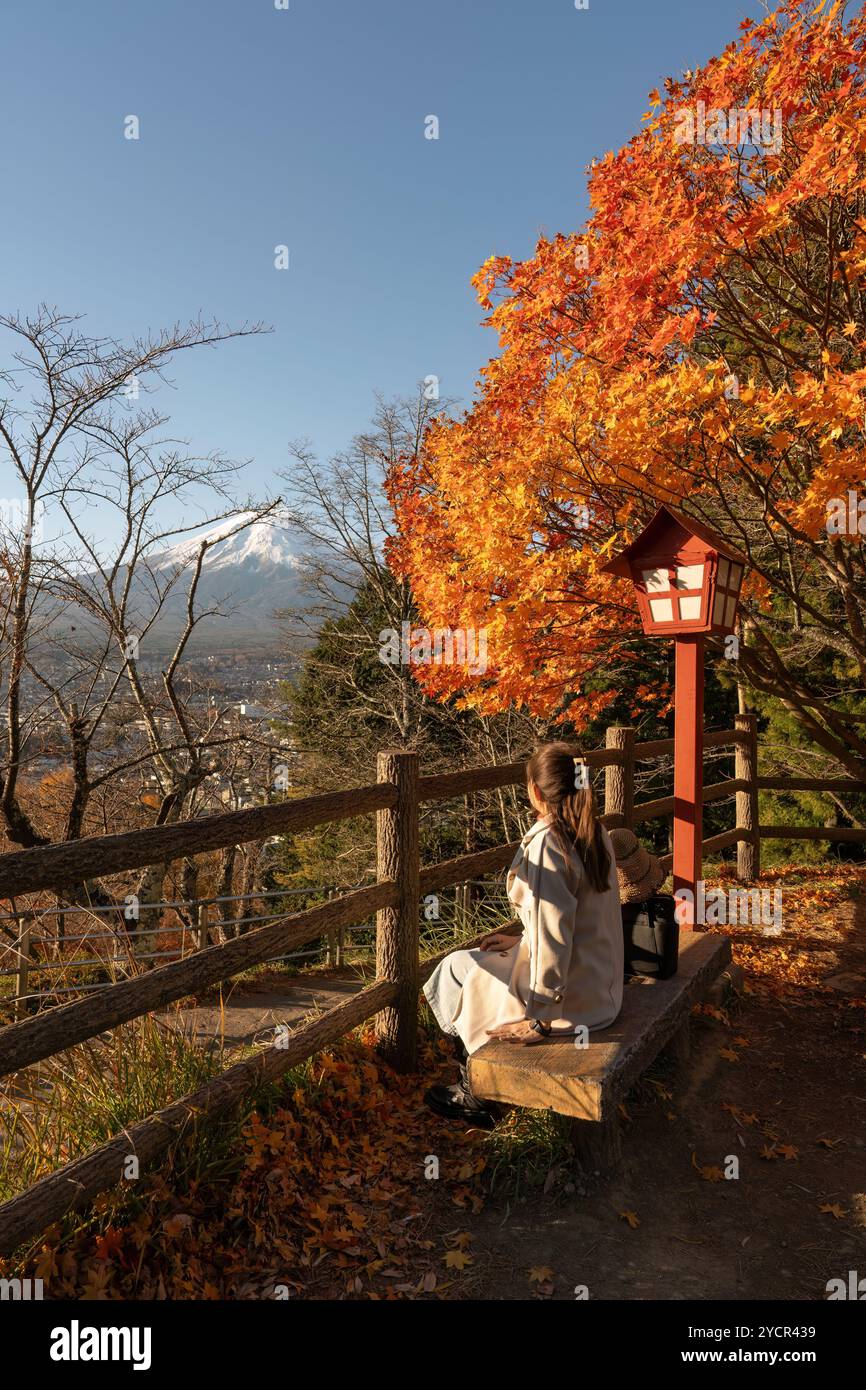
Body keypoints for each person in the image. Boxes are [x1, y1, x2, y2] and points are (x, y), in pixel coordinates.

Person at [423, 741, 624, 1127]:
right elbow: (573, 922)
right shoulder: (594, 831)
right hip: (599, 990)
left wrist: (541, 1019)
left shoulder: (550, 843)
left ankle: (478, 1091)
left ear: (535, 791)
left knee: (454, 969)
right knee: (464, 966)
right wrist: (522, 941)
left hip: (570, 1006)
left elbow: (554, 939)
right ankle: (477, 1075)